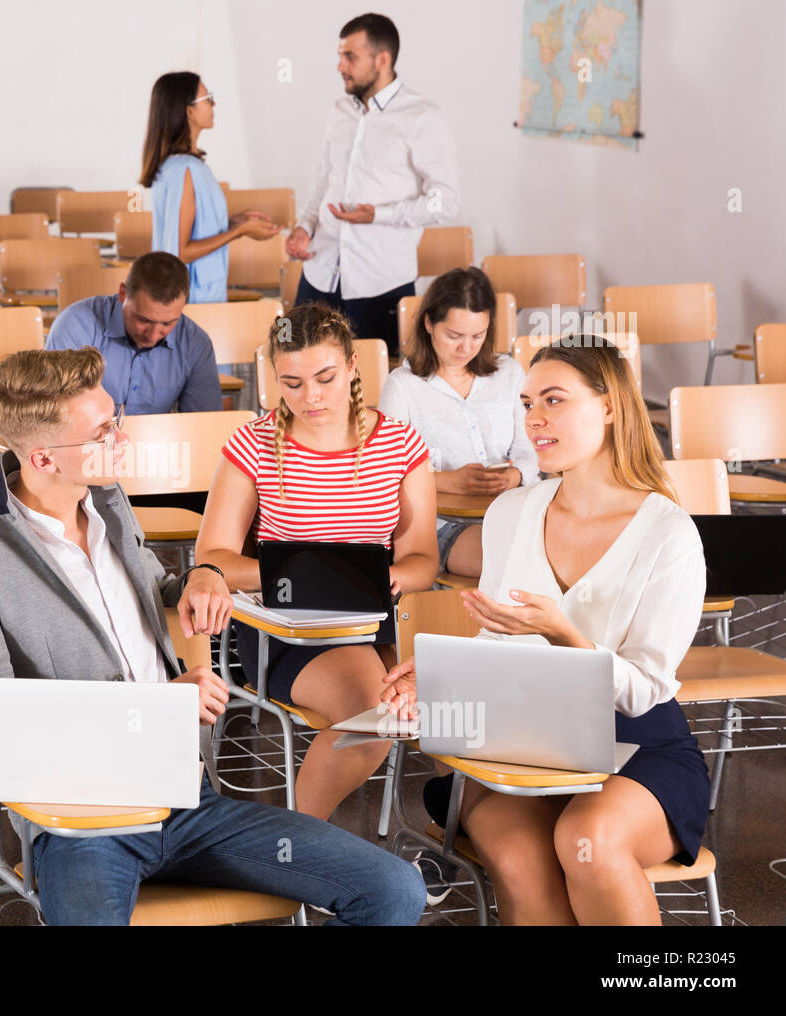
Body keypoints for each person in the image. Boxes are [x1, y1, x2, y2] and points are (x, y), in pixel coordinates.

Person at [0, 347, 425, 926]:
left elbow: (159, 587)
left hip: (182, 800)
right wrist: (154, 706)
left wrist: (205, 576)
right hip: (81, 823)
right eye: (104, 431)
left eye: (116, 419)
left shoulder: (106, 500)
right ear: (42, 457)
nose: (122, 438)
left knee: (393, 889)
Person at [382, 337, 711, 925]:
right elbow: (499, 642)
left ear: (610, 405)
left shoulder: (669, 533)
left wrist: (566, 636)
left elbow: (641, 692)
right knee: (516, 853)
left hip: (634, 744)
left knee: (590, 844)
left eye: (554, 401)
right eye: (528, 403)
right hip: (523, 737)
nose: (535, 420)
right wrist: (440, 676)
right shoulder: (512, 511)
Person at [195, 302, 438, 821]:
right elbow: (212, 557)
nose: (311, 397)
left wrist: (388, 576)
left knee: (444, 714)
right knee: (375, 721)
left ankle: (421, 842)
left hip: (376, 619)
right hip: (288, 630)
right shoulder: (254, 443)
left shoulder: (401, 442)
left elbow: (422, 558)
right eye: (293, 383)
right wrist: (314, 578)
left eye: (325, 377)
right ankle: (301, 848)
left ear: (353, 365)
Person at [286, 13, 460, 356]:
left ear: (382, 59)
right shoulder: (340, 110)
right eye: (339, 55)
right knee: (293, 368)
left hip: (380, 282)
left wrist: (377, 215)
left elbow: (446, 201)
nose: (339, 65)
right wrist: (304, 227)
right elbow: (324, 180)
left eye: (349, 56)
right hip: (320, 273)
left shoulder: (423, 118)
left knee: (374, 389)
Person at [378, 267, 539, 578]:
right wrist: (444, 481)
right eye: (454, 336)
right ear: (429, 323)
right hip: (440, 523)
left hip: (514, 506)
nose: (466, 348)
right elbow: (385, 471)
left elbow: (529, 445)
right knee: (515, 563)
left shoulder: (508, 372)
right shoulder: (403, 385)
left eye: (477, 336)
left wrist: (517, 474)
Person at [140, 71, 278, 303]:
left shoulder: (187, 166)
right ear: (189, 110)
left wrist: (232, 222)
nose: (214, 104)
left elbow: (195, 226)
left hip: (203, 297)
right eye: (208, 98)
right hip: (194, 301)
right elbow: (180, 251)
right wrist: (238, 232)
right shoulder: (184, 170)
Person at [46, 251, 221, 414]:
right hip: (86, 444)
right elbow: (57, 414)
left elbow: (202, 423)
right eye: (144, 320)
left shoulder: (196, 344)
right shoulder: (76, 325)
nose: (152, 336)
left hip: (157, 444)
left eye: (167, 323)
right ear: (123, 294)